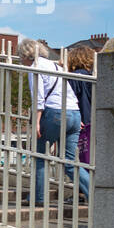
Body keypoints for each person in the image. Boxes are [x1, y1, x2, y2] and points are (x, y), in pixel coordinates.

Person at [20, 37, 89, 206]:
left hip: (54, 114)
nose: (20, 60)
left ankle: (39, 198)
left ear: (26, 55)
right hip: (74, 113)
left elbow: (38, 97)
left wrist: (36, 122)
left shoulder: (35, 67)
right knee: (70, 162)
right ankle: (95, 194)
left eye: (20, 57)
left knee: (40, 155)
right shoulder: (55, 65)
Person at [68, 46, 95, 165]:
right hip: (92, 122)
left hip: (80, 122)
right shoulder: (92, 77)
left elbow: (70, 100)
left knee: (75, 160)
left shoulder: (72, 78)